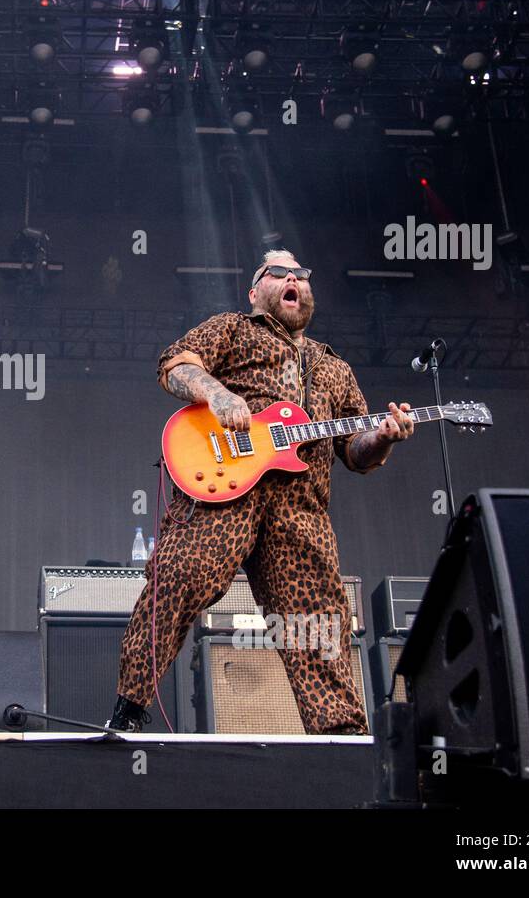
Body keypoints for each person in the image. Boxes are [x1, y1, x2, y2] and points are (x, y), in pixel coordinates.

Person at [108, 251, 416, 734]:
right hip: (223, 492)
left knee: (318, 618)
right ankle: (129, 709)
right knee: (179, 575)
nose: (293, 277)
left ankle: (342, 738)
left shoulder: (334, 367)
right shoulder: (233, 328)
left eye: (301, 274)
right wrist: (217, 393)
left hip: (300, 511)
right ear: (255, 291)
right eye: (279, 272)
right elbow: (175, 363)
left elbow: (354, 453)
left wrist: (382, 437)